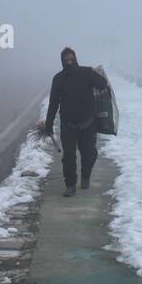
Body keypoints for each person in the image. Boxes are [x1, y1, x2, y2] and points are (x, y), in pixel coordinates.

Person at [42, 46, 109, 196]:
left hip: (88, 122)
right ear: (62, 62)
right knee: (69, 157)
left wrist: (97, 74)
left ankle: (86, 176)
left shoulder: (86, 73)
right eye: (66, 60)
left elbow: (103, 84)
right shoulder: (58, 79)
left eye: (72, 59)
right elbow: (53, 103)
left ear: (76, 59)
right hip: (68, 124)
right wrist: (49, 123)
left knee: (89, 154)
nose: (69, 62)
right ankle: (70, 185)